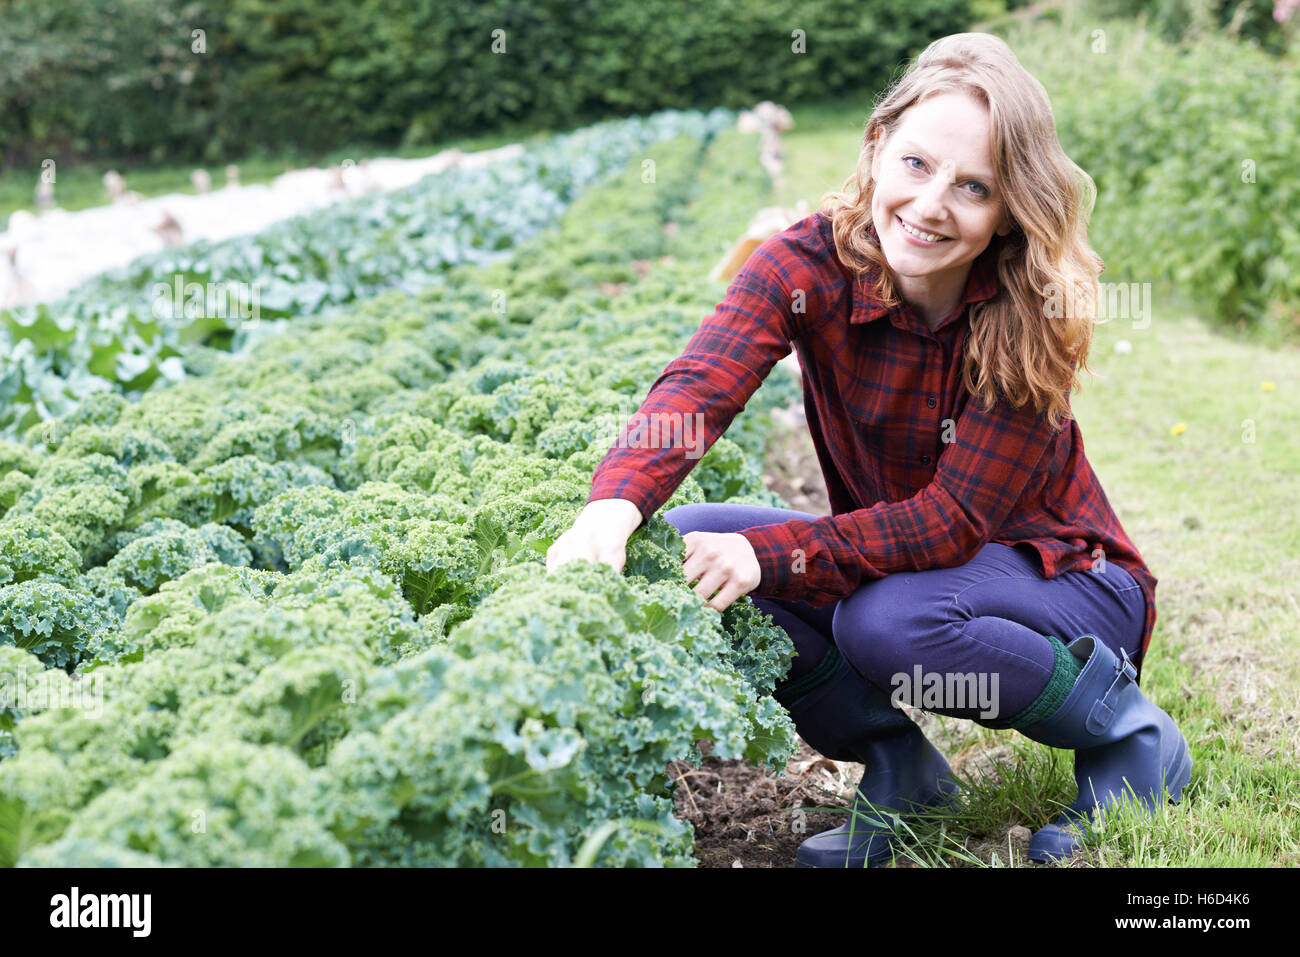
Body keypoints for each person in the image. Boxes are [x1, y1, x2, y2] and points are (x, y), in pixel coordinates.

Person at [545, 32, 1191, 868]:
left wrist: (768, 552)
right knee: (685, 544)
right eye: (918, 165)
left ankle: (1130, 734)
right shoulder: (805, 264)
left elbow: (950, 524)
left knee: (887, 618)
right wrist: (616, 502)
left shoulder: (1028, 312)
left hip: (1068, 580)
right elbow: (702, 382)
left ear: (1007, 210)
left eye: (974, 187)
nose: (931, 205)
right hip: (915, 570)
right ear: (878, 145)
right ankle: (901, 767)